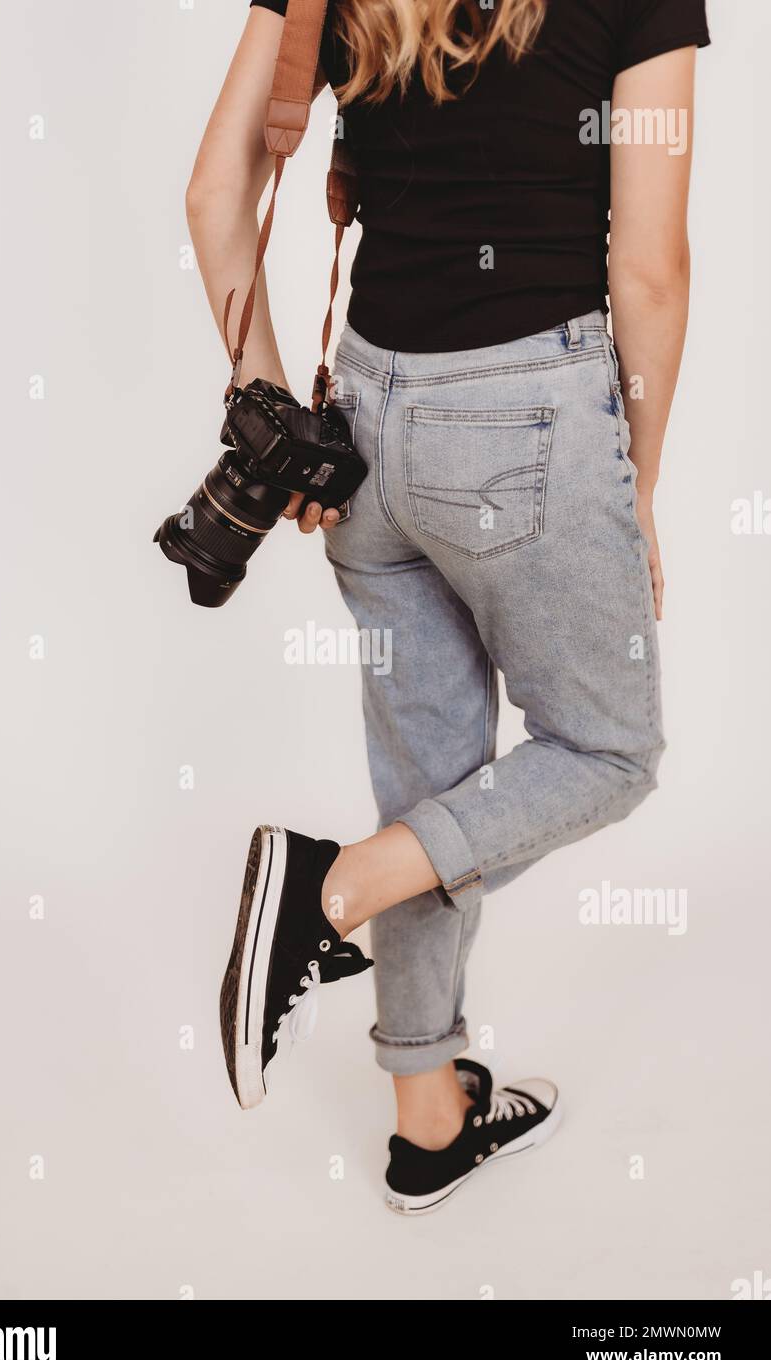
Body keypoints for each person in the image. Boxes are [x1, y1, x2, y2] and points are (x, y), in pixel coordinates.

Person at [187, 0, 710, 1214]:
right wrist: (630, 483)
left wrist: (274, 424)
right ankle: (326, 892)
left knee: (434, 791)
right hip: (526, 420)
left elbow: (215, 200)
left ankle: (426, 1112)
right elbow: (651, 266)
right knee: (608, 752)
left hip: (364, 423)